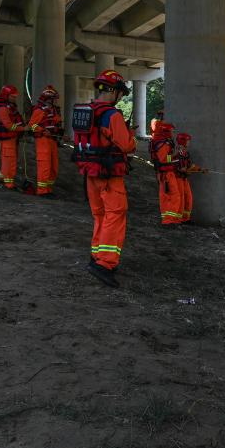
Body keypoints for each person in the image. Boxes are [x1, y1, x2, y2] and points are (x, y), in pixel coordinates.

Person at [72, 70, 135, 288]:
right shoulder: (112, 115)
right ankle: (104, 264)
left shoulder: (85, 112)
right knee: (115, 215)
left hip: (90, 174)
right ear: (115, 91)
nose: (121, 97)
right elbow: (126, 146)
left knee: (100, 215)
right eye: (120, 93)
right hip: (109, 176)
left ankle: (97, 255)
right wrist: (130, 135)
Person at [27, 85, 63, 197]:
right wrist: (42, 130)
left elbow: (56, 124)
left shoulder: (53, 110)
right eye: (55, 99)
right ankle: (42, 191)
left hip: (52, 140)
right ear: (49, 99)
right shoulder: (39, 110)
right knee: (45, 166)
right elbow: (31, 126)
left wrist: (62, 134)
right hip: (43, 141)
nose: (56, 101)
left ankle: (48, 189)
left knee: (53, 166)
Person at [0, 85, 26, 189]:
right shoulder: (2, 108)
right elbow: (9, 126)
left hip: (10, 138)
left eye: (15, 96)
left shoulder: (8, 106)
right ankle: (8, 184)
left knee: (8, 159)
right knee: (9, 160)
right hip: (7, 138)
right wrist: (23, 129)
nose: (14, 98)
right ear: (6, 95)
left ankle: (2, 178)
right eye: (12, 96)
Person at [149, 121, 184, 226]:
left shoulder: (162, 142)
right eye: (171, 131)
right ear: (166, 131)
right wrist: (175, 156)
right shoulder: (163, 143)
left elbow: (164, 158)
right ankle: (169, 219)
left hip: (165, 173)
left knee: (167, 196)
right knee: (174, 195)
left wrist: (173, 156)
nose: (173, 133)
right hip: (166, 174)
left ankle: (169, 219)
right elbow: (163, 159)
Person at [175, 132, 203, 223]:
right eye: (187, 141)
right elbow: (168, 162)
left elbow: (190, 165)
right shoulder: (174, 152)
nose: (189, 143)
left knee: (188, 198)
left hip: (184, 179)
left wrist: (200, 169)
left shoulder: (186, 153)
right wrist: (179, 169)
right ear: (183, 141)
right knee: (181, 198)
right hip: (177, 178)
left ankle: (185, 218)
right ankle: (178, 219)